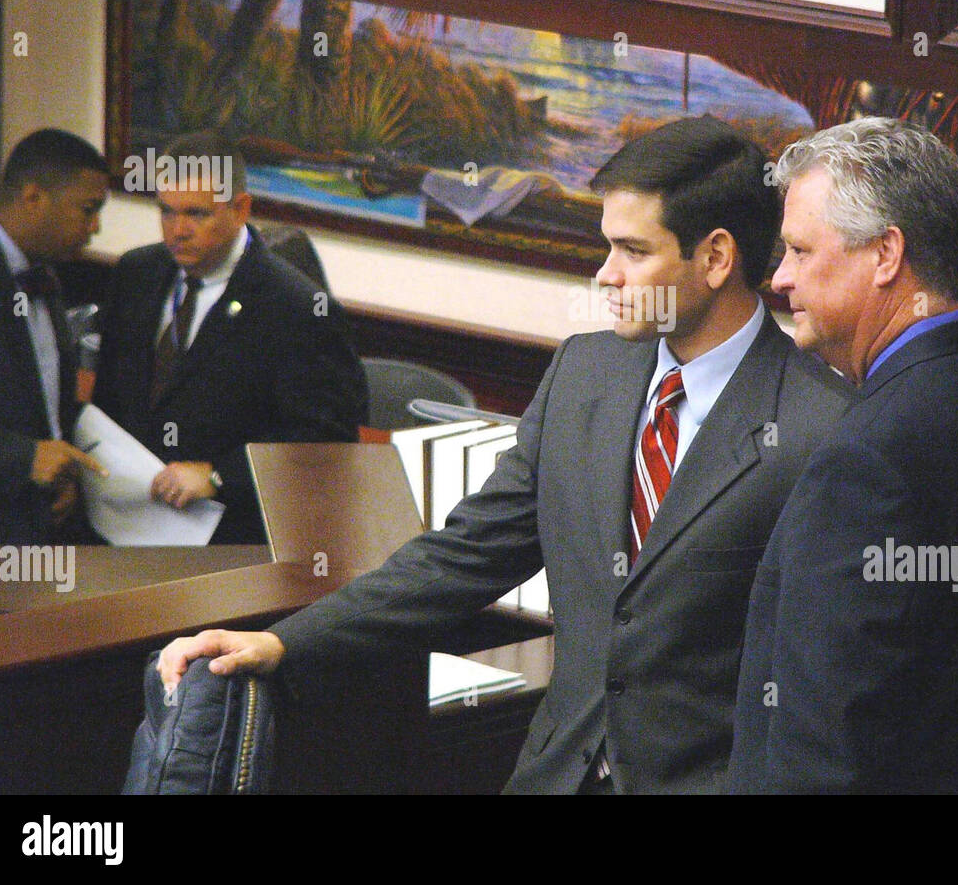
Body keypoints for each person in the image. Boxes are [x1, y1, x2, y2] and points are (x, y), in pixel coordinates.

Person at [157, 115, 855, 793]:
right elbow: (462, 555)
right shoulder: (585, 373)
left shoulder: (827, 429)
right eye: (606, 247)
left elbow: (832, 689)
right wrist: (286, 642)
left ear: (716, 257)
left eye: (633, 251)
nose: (605, 276)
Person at [729, 117, 958, 793]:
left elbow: (823, 745)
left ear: (885, 255)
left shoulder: (868, 460)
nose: (780, 278)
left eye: (799, 250)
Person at [92, 130, 367, 545]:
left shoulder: (296, 308)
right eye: (166, 211)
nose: (177, 230)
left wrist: (219, 474)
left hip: (230, 539)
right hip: (122, 519)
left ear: (240, 209)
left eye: (196, 214)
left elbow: (325, 443)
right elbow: (111, 395)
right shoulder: (138, 272)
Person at [0, 129, 109, 546]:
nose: (96, 227)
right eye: (88, 210)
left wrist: (62, 476)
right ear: (33, 197)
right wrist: (25, 458)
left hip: (40, 526)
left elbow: (47, 402)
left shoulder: (44, 272)